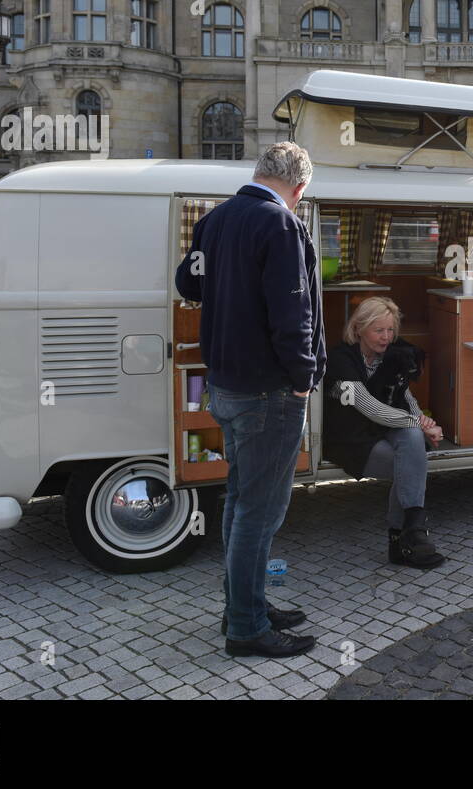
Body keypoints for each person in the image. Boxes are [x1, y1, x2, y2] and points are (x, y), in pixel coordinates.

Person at [174, 141, 325, 659]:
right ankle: (246, 626)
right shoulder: (280, 224)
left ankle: (247, 604)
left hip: (226, 385)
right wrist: (304, 378)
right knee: (260, 511)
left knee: (241, 500)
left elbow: (187, 282)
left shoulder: (215, 220)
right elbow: (293, 314)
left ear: (259, 172)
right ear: (299, 188)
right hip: (269, 390)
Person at [324, 297, 446, 568]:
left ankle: (411, 530)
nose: (387, 337)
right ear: (359, 329)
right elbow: (370, 408)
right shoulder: (340, 359)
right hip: (351, 439)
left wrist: (422, 422)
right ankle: (405, 539)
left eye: (390, 330)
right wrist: (420, 424)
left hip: (385, 431)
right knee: (411, 462)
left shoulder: (391, 355)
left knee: (412, 440)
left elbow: (406, 395)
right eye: (379, 330)